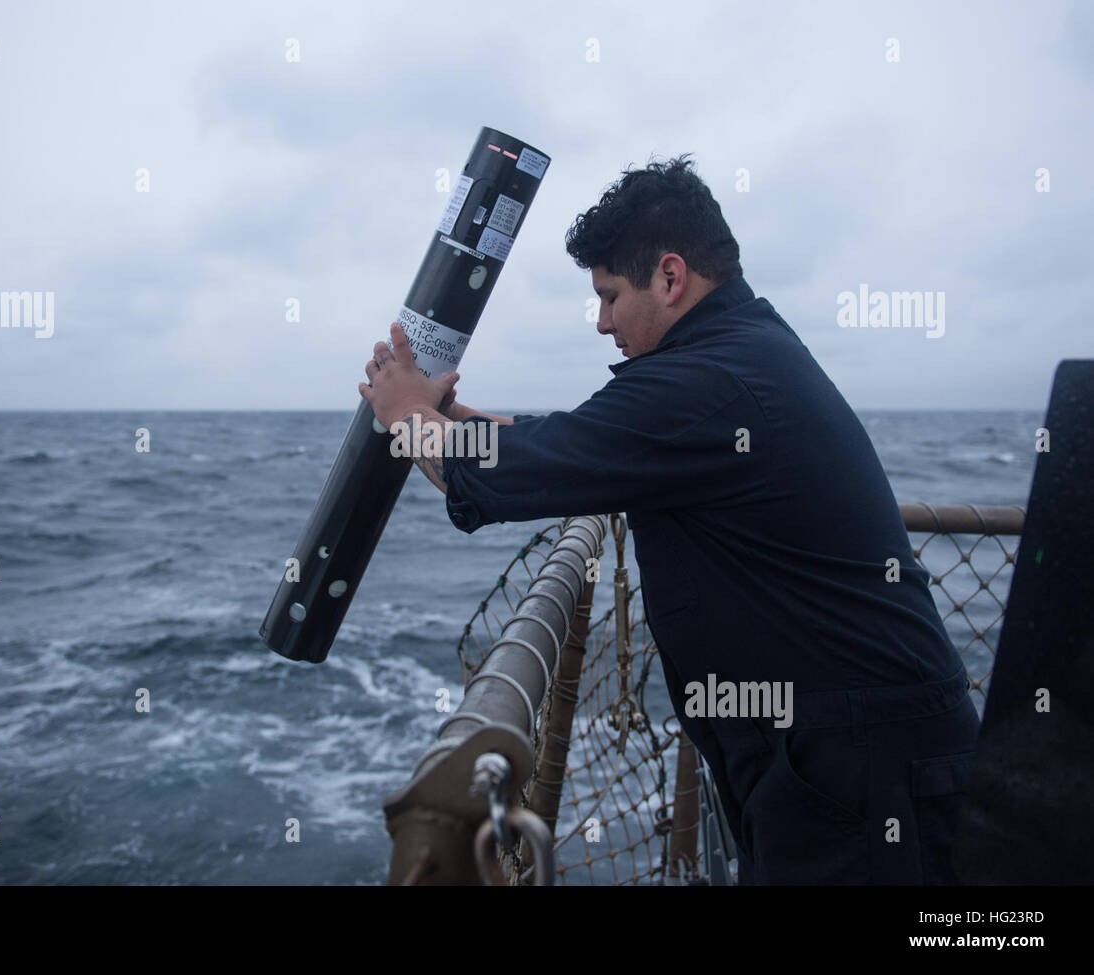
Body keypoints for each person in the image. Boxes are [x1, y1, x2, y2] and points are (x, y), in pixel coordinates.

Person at [358, 155, 980, 884]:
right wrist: (454, 418)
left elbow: (507, 472)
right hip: (852, 760)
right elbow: (578, 441)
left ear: (672, 277)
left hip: (867, 785)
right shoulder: (736, 356)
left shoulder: (708, 383)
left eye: (610, 295)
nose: (601, 322)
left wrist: (407, 418)